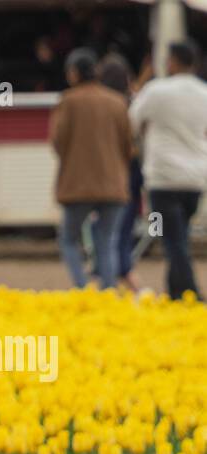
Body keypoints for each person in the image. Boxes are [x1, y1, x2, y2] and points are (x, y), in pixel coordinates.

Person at [49, 47, 132, 290]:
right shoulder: (117, 102)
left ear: (74, 73)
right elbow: (128, 146)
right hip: (113, 184)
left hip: (77, 185)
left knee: (68, 239)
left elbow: (58, 142)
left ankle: (83, 288)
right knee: (107, 241)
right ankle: (108, 289)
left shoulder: (68, 101)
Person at [130, 39, 207, 300]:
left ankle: (191, 294)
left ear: (172, 62)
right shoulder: (203, 92)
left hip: (163, 178)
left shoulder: (156, 91)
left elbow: (132, 120)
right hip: (196, 178)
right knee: (179, 235)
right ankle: (176, 294)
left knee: (173, 241)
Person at [99, 53, 146, 290]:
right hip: (133, 170)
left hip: (109, 170)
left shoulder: (103, 105)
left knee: (108, 227)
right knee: (125, 224)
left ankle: (114, 271)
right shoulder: (134, 102)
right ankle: (124, 269)